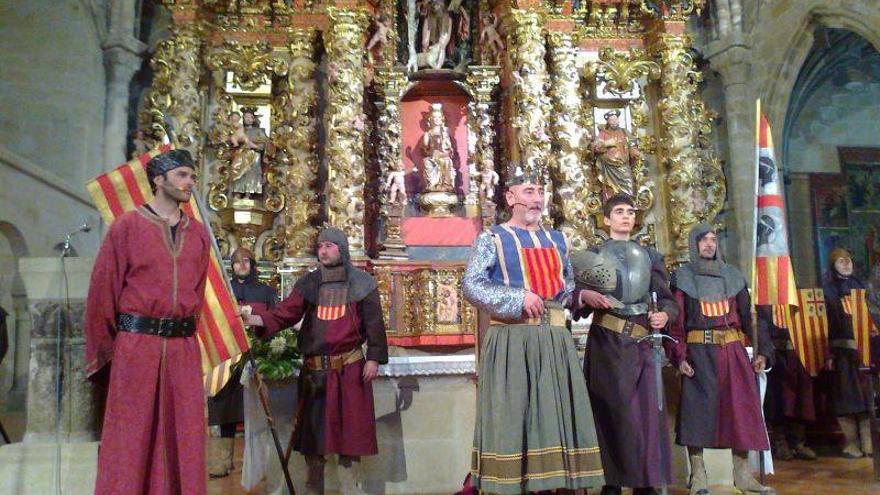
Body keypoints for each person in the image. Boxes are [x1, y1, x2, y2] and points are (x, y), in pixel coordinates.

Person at [461, 167, 604, 494]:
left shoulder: (558, 240)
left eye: (540, 192)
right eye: (528, 192)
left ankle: (555, 484)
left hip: (554, 343)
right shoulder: (492, 238)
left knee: (554, 418)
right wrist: (517, 297)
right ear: (510, 198)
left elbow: (563, 290)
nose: (536, 199)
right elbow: (471, 285)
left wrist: (580, 296)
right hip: (513, 341)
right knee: (516, 417)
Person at [85, 149, 211, 495]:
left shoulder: (198, 234)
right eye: (183, 175)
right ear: (159, 179)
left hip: (182, 350)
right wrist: (109, 355)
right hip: (136, 347)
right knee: (131, 437)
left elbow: (197, 295)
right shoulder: (127, 227)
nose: (190, 182)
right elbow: (102, 296)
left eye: (191, 175)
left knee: (182, 435)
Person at [241, 227, 388, 495]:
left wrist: (374, 358)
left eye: (330, 246)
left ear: (341, 249)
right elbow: (286, 312)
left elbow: (374, 324)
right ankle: (313, 490)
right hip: (315, 374)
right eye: (320, 246)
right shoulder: (309, 284)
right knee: (314, 438)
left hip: (349, 370)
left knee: (349, 438)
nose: (323, 251)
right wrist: (258, 320)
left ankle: (350, 490)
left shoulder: (362, 283)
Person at [575, 193, 676, 495]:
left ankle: (645, 483)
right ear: (606, 219)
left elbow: (668, 300)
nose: (626, 217)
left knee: (645, 417)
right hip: (607, 343)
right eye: (619, 212)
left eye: (630, 212)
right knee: (611, 414)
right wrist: (585, 295)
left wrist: (663, 315)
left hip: (642, 345)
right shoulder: (593, 254)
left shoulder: (650, 257)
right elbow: (575, 298)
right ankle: (612, 483)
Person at [667, 224, 775, 494]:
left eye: (713, 239)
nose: (709, 244)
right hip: (699, 355)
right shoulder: (683, 278)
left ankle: (743, 475)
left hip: (733, 353)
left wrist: (762, 351)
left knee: (741, 411)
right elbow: (677, 324)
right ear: (694, 244)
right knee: (697, 415)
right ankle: (698, 477)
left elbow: (751, 317)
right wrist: (679, 356)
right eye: (703, 240)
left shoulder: (733, 276)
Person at [206, 246, 277, 478]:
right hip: (228, 354)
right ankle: (222, 461)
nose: (242, 265)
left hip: (257, 353)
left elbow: (274, 319)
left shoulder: (266, 292)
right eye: (237, 262)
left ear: (253, 264)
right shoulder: (224, 292)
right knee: (224, 405)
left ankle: (258, 465)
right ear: (232, 266)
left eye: (246, 260)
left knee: (259, 406)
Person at [822, 248, 873, 458]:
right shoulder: (827, 290)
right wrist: (828, 354)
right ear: (833, 264)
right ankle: (850, 443)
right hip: (841, 353)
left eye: (848, 260)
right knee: (846, 400)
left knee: (866, 399)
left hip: (864, 352)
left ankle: (869, 443)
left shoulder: (861, 287)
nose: (846, 263)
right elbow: (824, 325)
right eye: (841, 261)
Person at [758, 304, 817, 461]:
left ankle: (798, 441)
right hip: (776, 352)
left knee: (800, 398)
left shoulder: (795, 294)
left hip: (799, 351)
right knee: (778, 399)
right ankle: (780, 442)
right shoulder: (763, 299)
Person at [591, 110, 641, 199]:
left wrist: (634, 151)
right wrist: (606, 144)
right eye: (611, 120)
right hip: (609, 167)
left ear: (618, 120)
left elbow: (632, 143)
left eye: (615, 119)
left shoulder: (624, 132)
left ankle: (627, 203)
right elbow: (596, 148)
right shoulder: (603, 133)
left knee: (628, 184)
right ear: (608, 122)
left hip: (623, 165)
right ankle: (611, 205)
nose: (614, 122)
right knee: (610, 189)